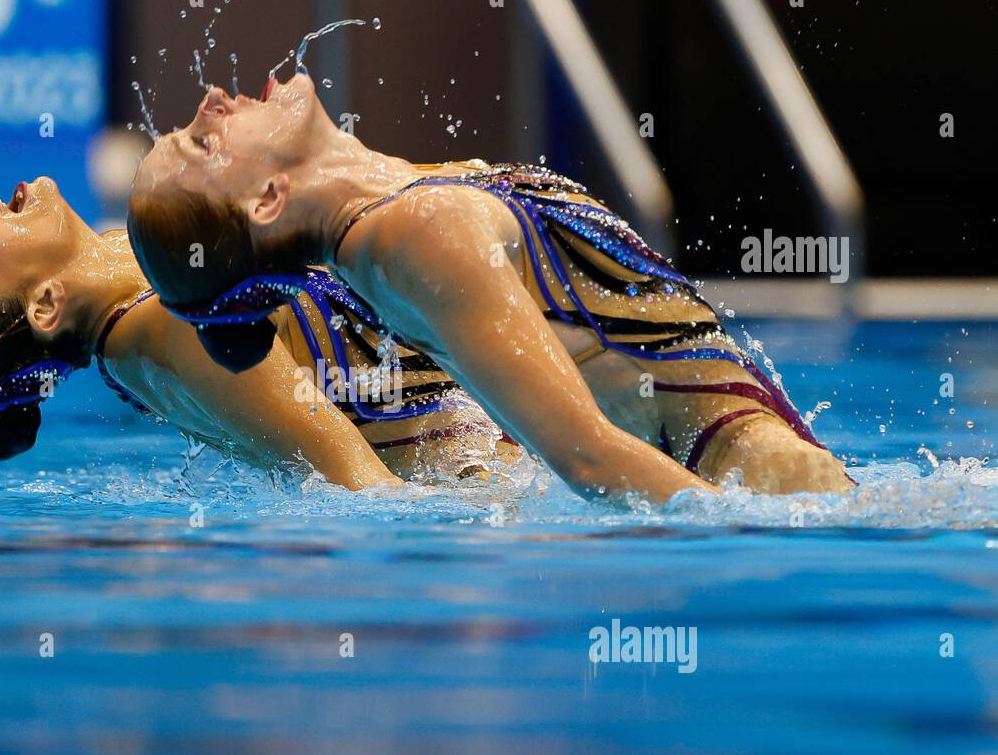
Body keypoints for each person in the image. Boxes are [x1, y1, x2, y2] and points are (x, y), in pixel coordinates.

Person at [126, 75, 852, 499]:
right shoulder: (413, 233)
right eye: (202, 142)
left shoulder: (398, 209)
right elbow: (587, 458)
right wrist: (749, 545)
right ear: (266, 202)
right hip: (756, 474)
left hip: (756, 469)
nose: (213, 99)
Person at [0, 176, 517, 490]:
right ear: (43, 305)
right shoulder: (168, 332)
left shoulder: (141, 291)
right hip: (510, 467)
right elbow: (362, 487)